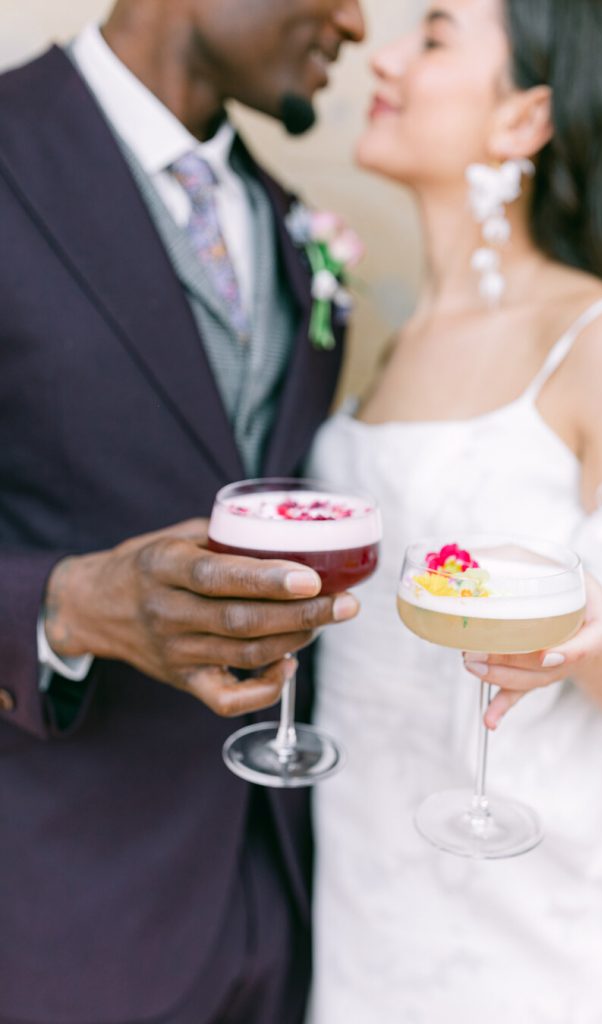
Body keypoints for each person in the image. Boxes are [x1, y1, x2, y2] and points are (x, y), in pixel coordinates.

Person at [306, 0, 602, 1021]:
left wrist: (580, 623)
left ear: (523, 117)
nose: (380, 59)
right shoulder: (389, 344)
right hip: (359, 890)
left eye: (430, 36)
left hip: (527, 923)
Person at [0, 2, 365, 1023]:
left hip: (281, 922)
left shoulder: (294, 229)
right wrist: (66, 606)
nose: (354, 21)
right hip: (49, 917)